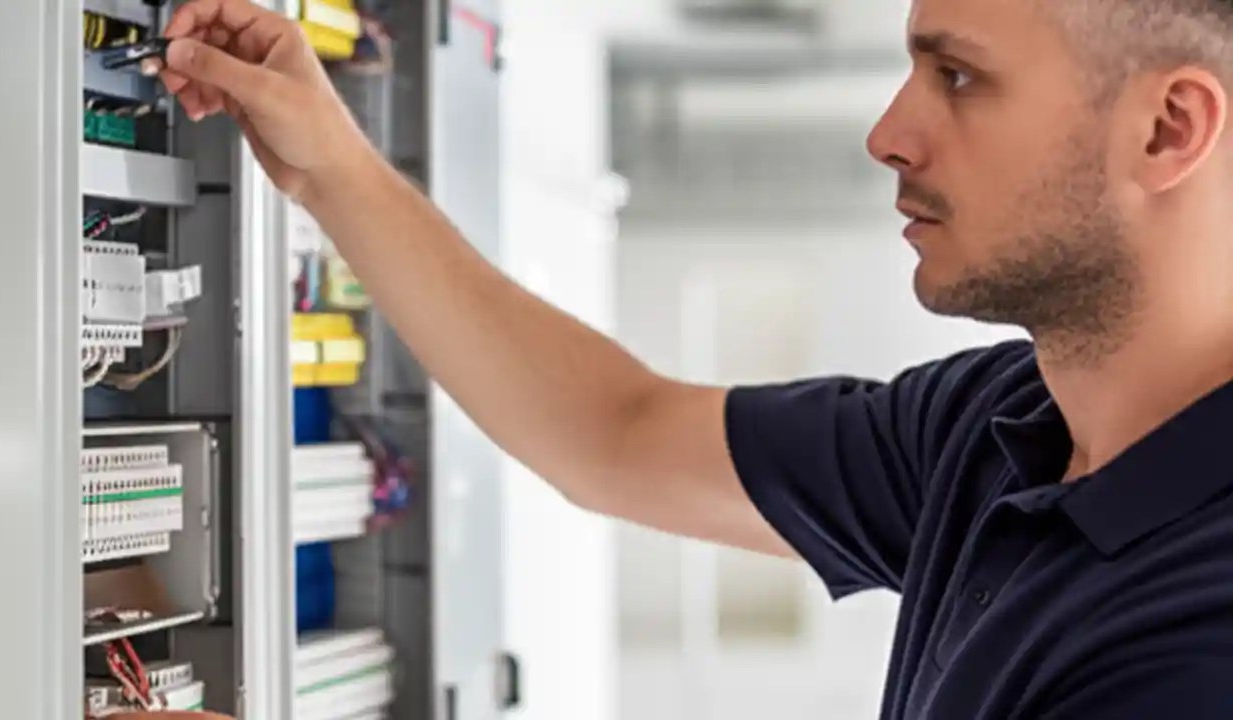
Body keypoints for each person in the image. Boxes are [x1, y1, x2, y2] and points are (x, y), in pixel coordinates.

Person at [160, 0, 1233, 717]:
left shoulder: (1198, 634)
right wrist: (330, 166)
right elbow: (614, 431)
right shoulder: (999, 428)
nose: (889, 133)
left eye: (957, 76)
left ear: (1166, 128)